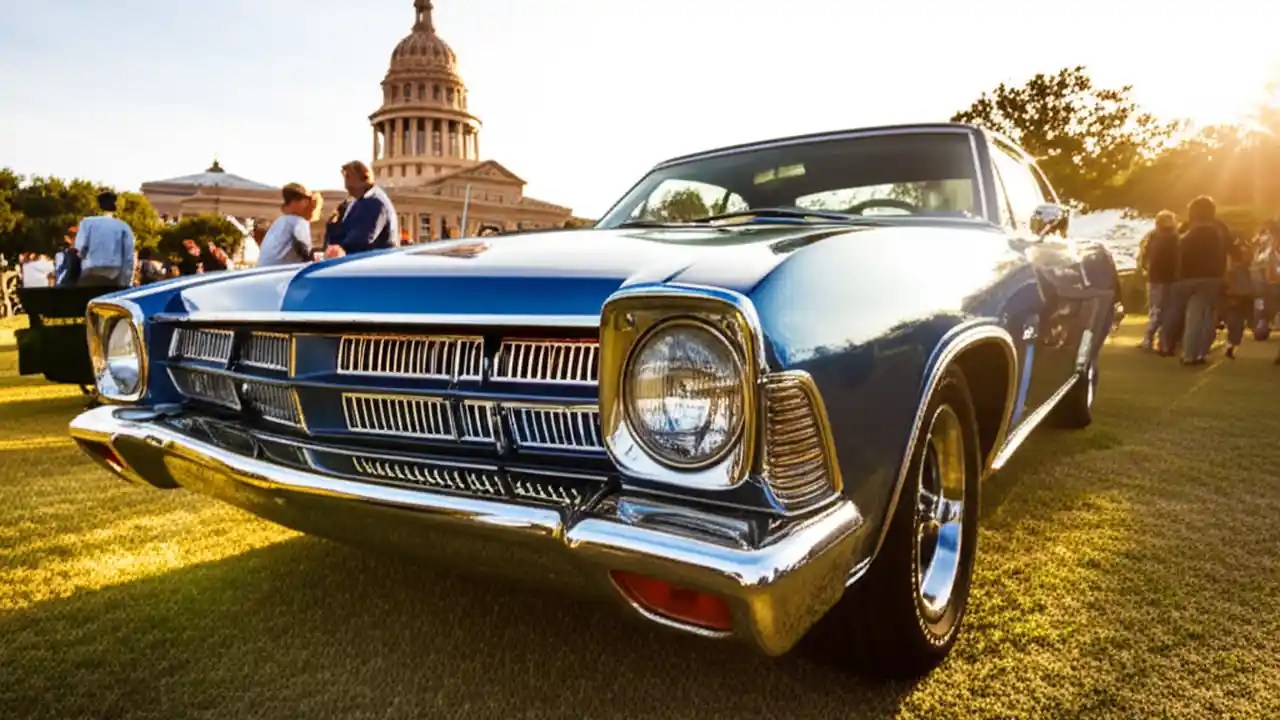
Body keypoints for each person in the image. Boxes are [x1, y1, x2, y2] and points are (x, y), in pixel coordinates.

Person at [1165, 196, 1233, 365]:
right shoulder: (1219, 233)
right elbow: (1226, 254)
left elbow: (1178, 258)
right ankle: (1201, 352)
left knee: (1192, 316)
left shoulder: (1187, 235)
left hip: (1189, 280)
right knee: (1207, 316)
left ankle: (1188, 352)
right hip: (1212, 279)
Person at [324, 161, 398, 258]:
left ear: (364, 178)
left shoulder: (375, 203)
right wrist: (332, 227)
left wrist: (339, 249)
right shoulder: (354, 204)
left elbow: (361, 239)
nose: (346, 185)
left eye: (348, 178)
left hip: (372, 267)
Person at [1136, 210, 1179, 351]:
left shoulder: (1152, 236)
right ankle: (1163, 341)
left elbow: (1144, 257)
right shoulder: (1177, 238)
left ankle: (1149, 338)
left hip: (1155, 278)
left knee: (1156, 309)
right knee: (1169, 310)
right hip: (1173, 278)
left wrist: (1144, 269)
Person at [75, 191, 136, 288]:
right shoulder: (124, 227)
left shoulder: (87, 223)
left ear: (98, 205)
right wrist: (127, 283)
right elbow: (129, 258)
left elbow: (80, 248)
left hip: (91, 271)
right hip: (115, 274)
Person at [259, 183, 322, 267]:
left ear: (305, 202)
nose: (285, 204)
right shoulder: (298, 221)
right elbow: (305, 251)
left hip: (264, 271)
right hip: (281, 273)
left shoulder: (280, 221)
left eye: (290, 200)